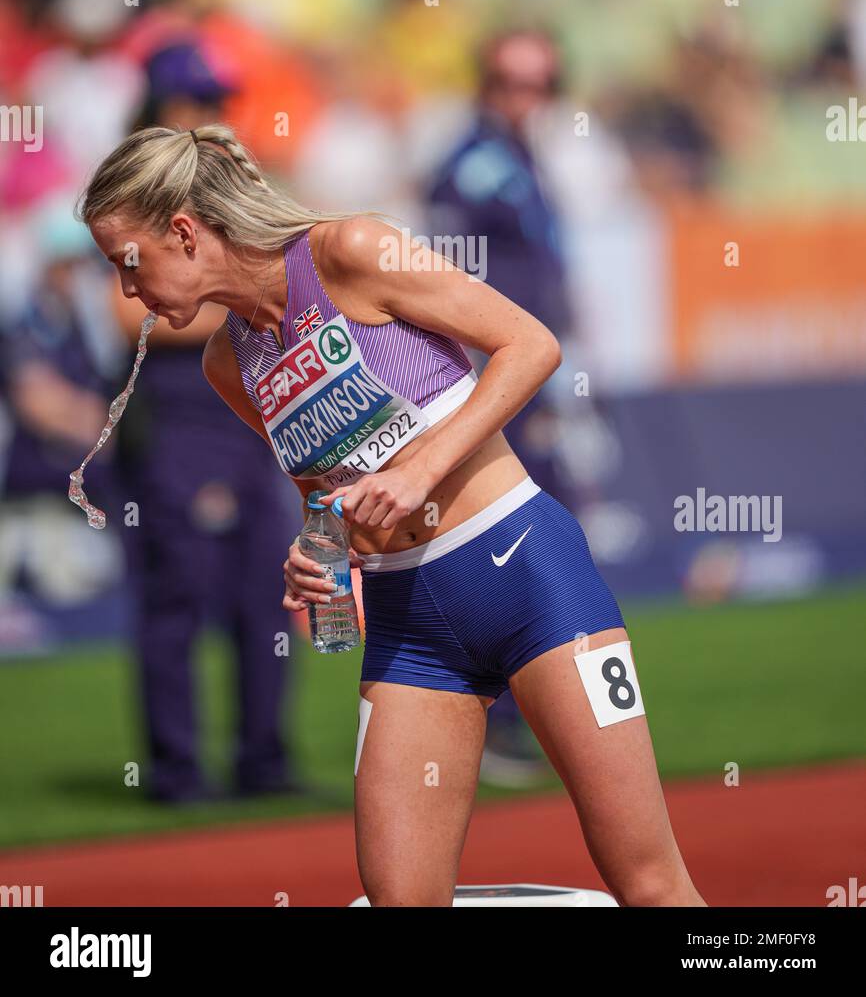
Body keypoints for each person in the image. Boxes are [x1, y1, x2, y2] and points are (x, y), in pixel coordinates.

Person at [77, 121, 706, 908]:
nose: (126, 290)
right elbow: (322, 490)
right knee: (401, 903)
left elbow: (531, 345)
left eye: (127, 262)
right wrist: (320, 557)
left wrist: (421, 468)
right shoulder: (225, 362)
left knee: (648, 883)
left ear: (182, 230)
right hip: (411, 628)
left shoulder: (351, 250)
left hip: (526, 574)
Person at [111, 41, 304, 804]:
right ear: (157, 111)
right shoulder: (130, 193)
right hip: (177, 416)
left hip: (248, 414)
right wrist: (237, 304)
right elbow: (123, 315)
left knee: (267, 590)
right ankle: (177, 772)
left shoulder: (239, 190)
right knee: (179, 595)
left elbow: (293, 275)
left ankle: (265, 761)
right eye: (189, 104)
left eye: (212, 103)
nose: (205, 118)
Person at [425, 28, 579, 784]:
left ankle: (531, 718)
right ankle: (494, 720)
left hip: (536, 372)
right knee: (510, 547)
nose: (527, 98)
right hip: (499, 377)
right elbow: (447, 281)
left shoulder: (519, 158)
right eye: (513, 83)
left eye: (541, 83)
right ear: (487, 83)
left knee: (541, 542)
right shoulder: (472, 166)